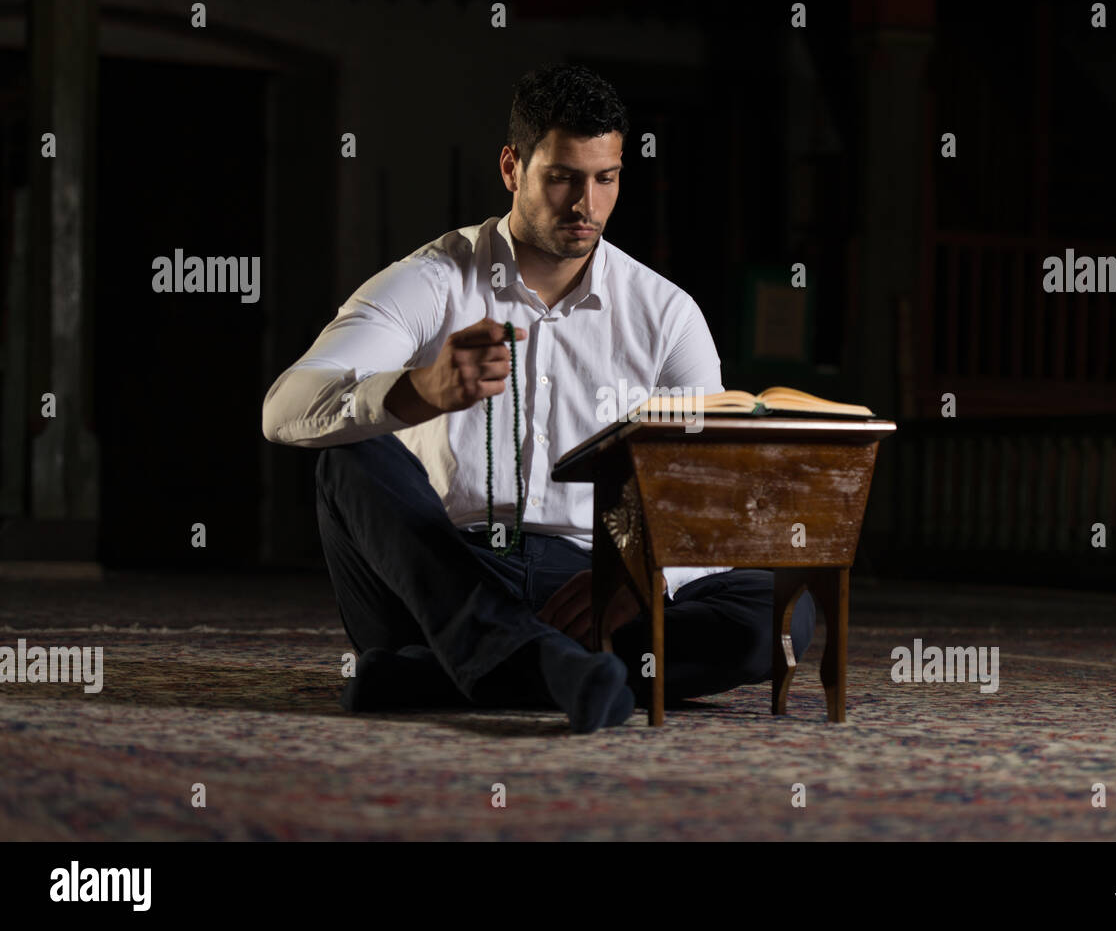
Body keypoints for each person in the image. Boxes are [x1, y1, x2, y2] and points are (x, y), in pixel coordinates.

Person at [261, 64, 816, 733]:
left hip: (589, 582)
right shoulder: (433, 280)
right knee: (350, 458)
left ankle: (457, 673)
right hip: (442, 567)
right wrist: (416, 391)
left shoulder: (666, 313)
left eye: (604, 178)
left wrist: (646, 572)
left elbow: (710, 493)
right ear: (511, 167)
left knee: (784, 606)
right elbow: (284, 407)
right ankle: (550, 665)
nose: (585, 203)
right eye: (561, 177)